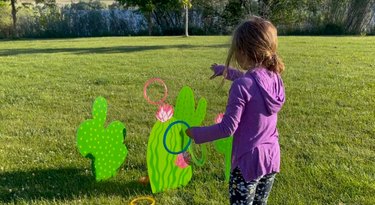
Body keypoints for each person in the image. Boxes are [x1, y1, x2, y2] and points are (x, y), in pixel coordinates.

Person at [185, 16, 285, 205]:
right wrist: (226, 71)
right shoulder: (275, 78)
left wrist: (195, 133)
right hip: (271, 157)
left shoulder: (241, 86)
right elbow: (255, 81)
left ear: (242, 51)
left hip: (247, 163)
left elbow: (227, 128)